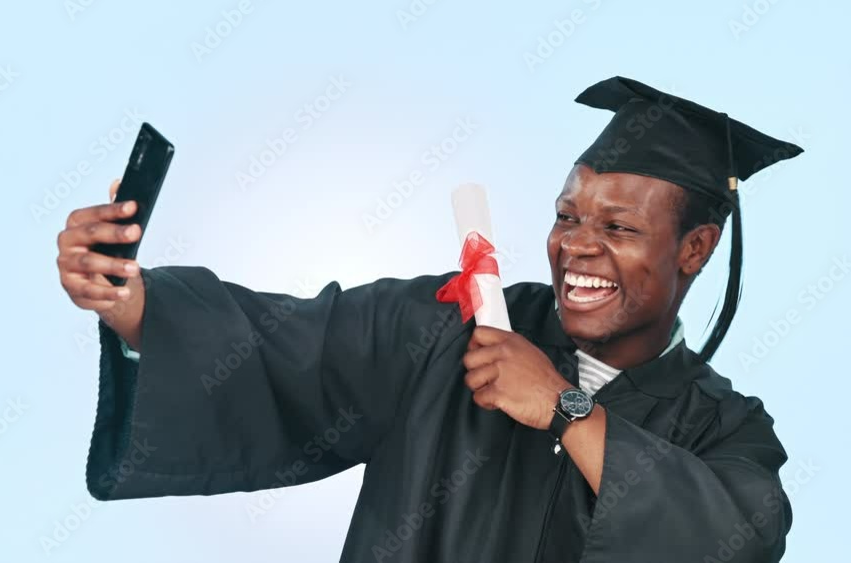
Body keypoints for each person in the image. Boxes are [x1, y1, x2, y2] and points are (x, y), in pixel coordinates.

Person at [55, 76, 803, 562]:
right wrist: (130, 301)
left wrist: (564, 409)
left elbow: (734, 540)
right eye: (567, 215)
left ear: (695, 249)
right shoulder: (461, 324)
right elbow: (290, 345)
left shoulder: (726, 429)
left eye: (617, 228)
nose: (577, 245)